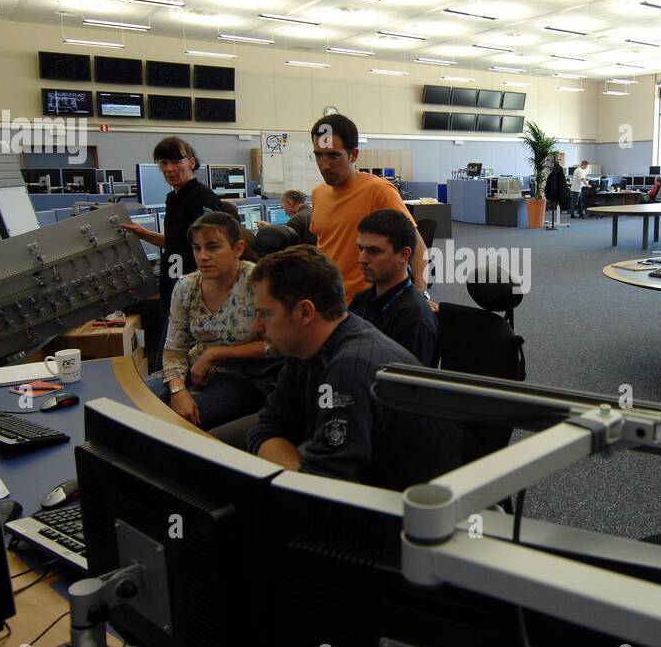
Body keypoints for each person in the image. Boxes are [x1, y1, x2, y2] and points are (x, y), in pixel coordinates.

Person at [242, 245, 459, 489]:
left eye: (265, 314)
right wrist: (297, 472)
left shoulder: (351, 369)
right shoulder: (302, 347)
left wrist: (294, 470)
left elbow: (321, 486)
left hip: (406, 511)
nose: (256, 327)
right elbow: (268, 427)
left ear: (305, 312)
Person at [144, 211, 271, 428]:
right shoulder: (186, 286)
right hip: (195, 369)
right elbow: (174, 349)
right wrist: (178, 389)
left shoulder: (259, 283)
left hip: (245, 377)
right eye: (197, 248)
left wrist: (216, 353)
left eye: (213, 247)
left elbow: (278, 346)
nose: (203, 256)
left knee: (172, 422)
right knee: (129, 403)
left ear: (238, 249)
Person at [120, 138, 225, 365]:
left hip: (193, 292)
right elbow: (175, 243)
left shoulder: (201, 197)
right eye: (163, 163)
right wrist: (142, 233)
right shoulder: (173, 198)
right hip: (172, 287)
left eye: (176, 161)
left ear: (192, 163)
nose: (169, 169)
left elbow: (215, 246)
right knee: (170, 356)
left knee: (168, 360)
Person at [308, 114, 430, 304]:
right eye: (318, 155)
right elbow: (324, 245)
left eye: (333, 155)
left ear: (353, 155)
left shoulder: (378, 191)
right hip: (330, 301)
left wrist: (420, 292)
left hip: (367, 305)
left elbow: (416, 244)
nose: (324, 165)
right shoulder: (318, 193)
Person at [349, 209, 438, 366]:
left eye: (373, 251)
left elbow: (408, 385)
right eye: (360, 248)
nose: (362, 259)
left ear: (404, 255)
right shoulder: (360, 300)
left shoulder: (415, 318)